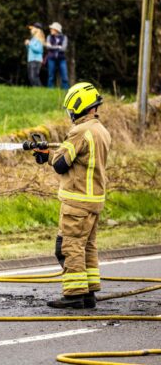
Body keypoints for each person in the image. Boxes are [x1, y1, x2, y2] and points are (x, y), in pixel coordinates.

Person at [31, 82, 111, 309]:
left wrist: (47, 156)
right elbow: (77, 160)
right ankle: (89, 293)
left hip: (77, 201)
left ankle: (74, 294)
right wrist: (49, 154)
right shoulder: (101, 131)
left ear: (79, 106)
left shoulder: (80, 131)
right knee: (87, 247)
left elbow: (61, 164)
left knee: (68, 247)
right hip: (94, 200)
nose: (69, 114)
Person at [45, 22, 70, 89]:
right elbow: (48, 47)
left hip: (62, 59)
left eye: (52, 29)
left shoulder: (64, 37)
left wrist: (52, 47)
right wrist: (58, 47)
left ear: (56, 30)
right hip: (51, 58)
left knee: (64, 76)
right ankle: (50, 90)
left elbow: (63, 48)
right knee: (51, 76)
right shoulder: (49, 37)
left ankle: (66, 90)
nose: (50, 30)